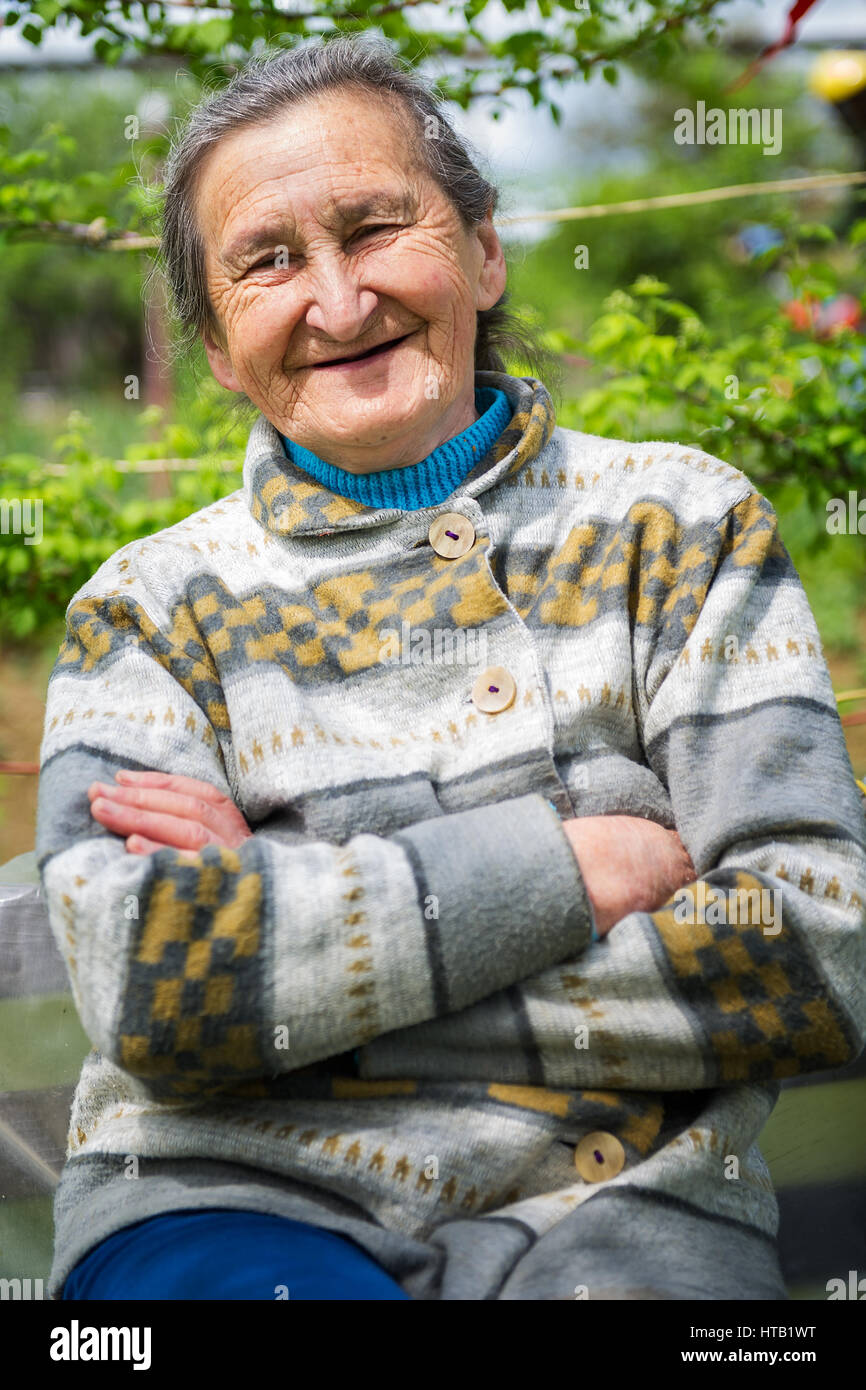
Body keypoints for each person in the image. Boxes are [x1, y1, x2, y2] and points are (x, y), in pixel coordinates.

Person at [37, 35, 865, 1301]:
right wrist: (568, 868)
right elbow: (155, 993)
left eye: (374, 228)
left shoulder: (680, 525)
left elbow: (814, 949)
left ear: (483, 252)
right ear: (212, 344)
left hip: (627, 1214)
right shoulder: (144, 611)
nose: (335, 299)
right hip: (224, 1204)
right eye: (267, 261)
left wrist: (292, 934)